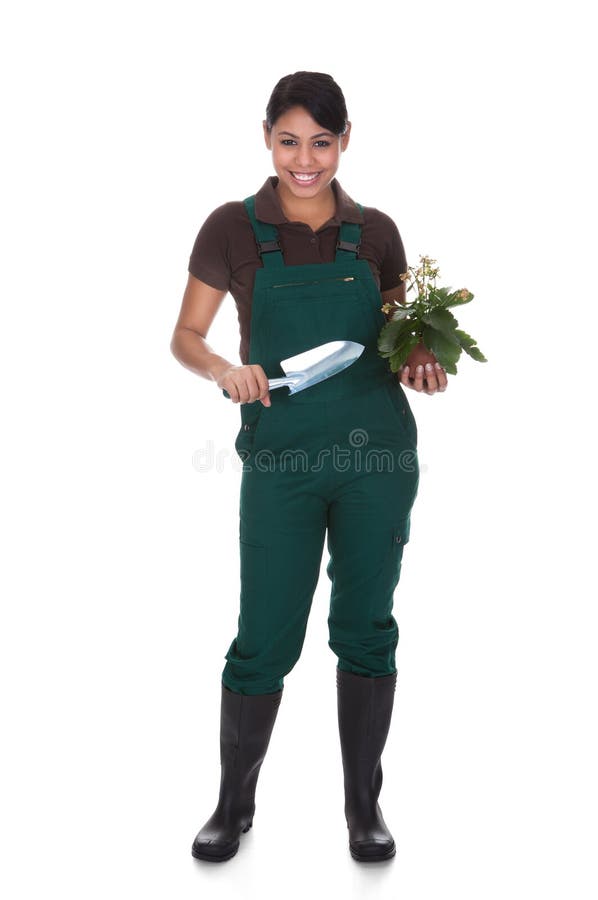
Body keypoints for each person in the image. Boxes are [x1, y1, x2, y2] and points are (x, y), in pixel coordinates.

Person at [170, 71, 448, 864]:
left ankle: (365, 808)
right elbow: (185, 335)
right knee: (263, 634)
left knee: (366, 629)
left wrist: (423, 359)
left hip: (377, 459)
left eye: (320, 142)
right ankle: (235, 802)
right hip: (282, 462)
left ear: (344, 141)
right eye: (289, 140)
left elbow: (399, 339)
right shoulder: (232, 228)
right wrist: (224, 367)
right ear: (267, 138)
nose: (305, 159)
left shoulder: (376, 233)